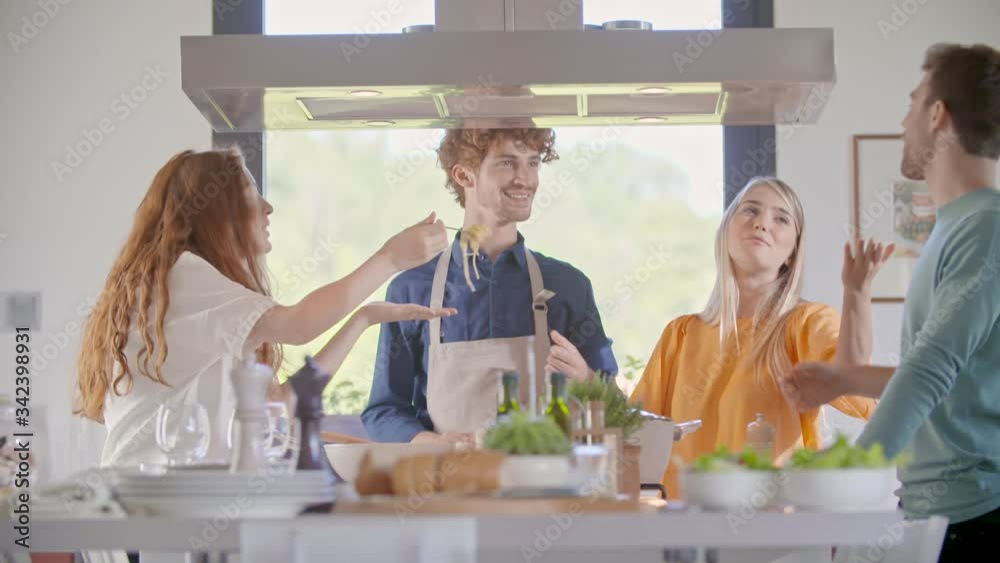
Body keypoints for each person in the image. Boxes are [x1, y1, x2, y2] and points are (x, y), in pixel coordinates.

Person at [74, 148, 455, 467]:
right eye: (249, 192)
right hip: (159, 508)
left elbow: (280, 403)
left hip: (167, 505)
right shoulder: (185, 275)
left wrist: (363, 319)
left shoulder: (197, 295)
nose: (268, 207)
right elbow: (299, 325)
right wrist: (390, 258)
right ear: (214, 211)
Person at [779, 43, 1000, 561]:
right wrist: (848, 380)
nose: (904, 122)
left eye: (912, 102)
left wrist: (846, 482)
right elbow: (957, 378)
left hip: (973, 516)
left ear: (938, 114)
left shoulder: (985, 229)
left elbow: (929, 371)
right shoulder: (958, 227)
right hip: (939, 510)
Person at [629, 176, 892, 498]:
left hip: (775, 517)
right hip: (686, 517)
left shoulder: (805, 323)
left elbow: (852, 376)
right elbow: (636, 433)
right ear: (726, 231)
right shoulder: (680, 334)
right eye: (750, 210)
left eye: (781, 218)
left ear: (792, 251)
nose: (762, 223)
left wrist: (857, 292)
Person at [362, 128, 619, 444]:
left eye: (533, 163)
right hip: (447, 473)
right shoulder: (412, 290)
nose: (525, 179)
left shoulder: (568, 286)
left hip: (547, 473)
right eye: (507, 163)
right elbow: (384, 410)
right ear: (463, 175)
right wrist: (429, 444)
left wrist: (587, 380)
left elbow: (616, 409)